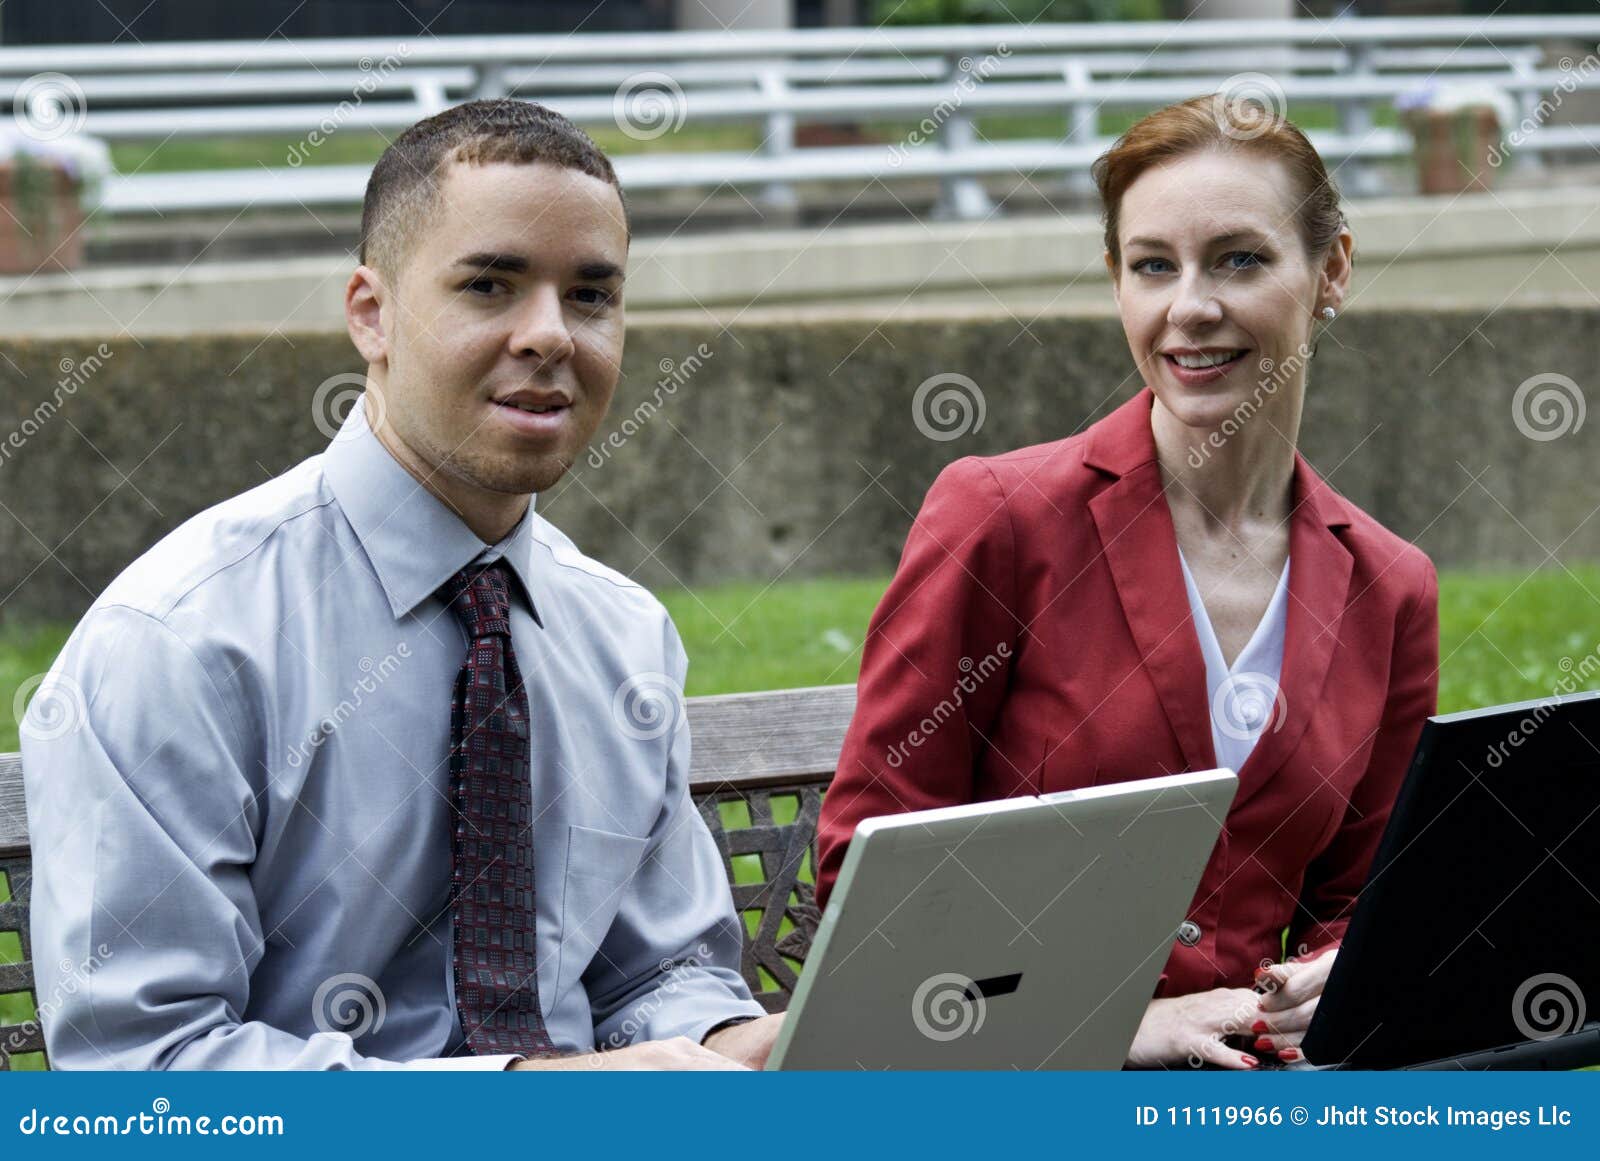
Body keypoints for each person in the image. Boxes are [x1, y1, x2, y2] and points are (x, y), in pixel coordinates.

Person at [22, 99, 782, 1070]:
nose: (551, 335)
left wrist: (738, 1043)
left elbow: (658, 972)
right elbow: (144, 1077)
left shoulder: (623, 635)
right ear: (371, 315)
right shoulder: (180, 641)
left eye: (591, 296)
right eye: (491, 285)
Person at [813, 95, 1439, 1070]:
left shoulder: (1389, 585)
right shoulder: (1001, 518)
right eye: (1153, 266)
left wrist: (1339, 972)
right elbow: (869, 881)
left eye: (1238, 258)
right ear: (1117, 283)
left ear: (1331, 272)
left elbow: (1365, 900)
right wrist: (1107, 1026)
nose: (1189, 307)